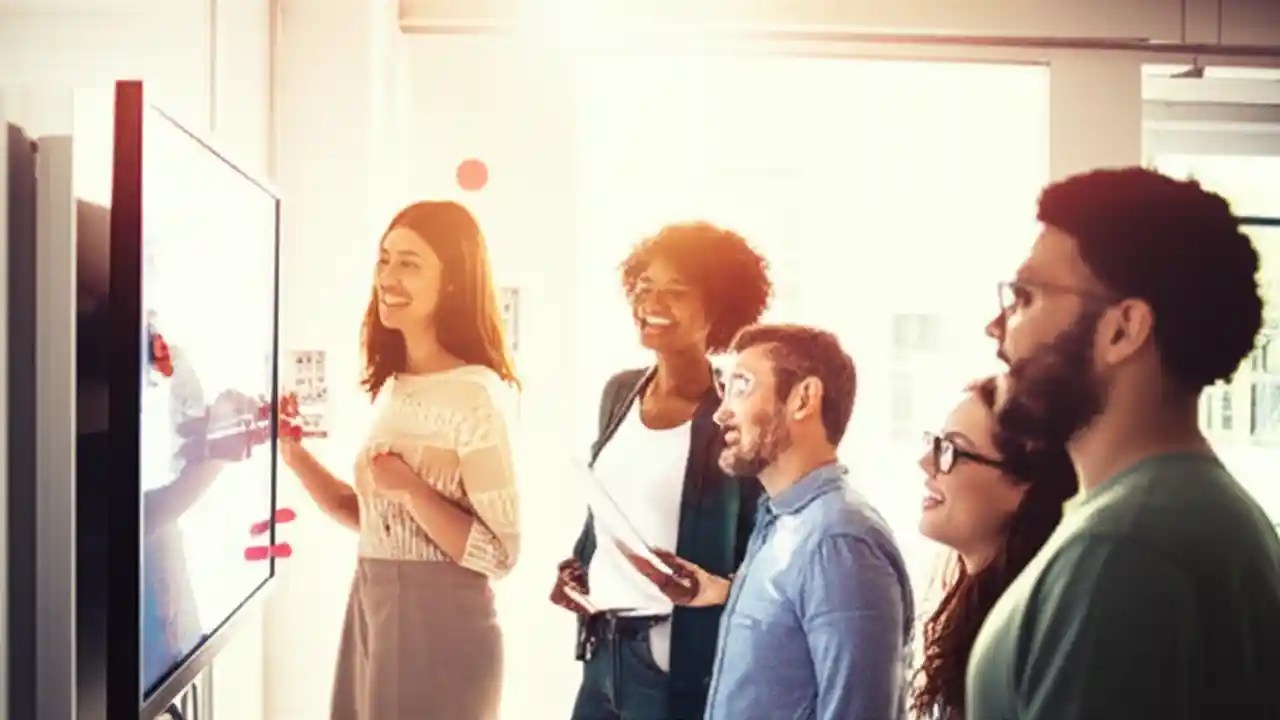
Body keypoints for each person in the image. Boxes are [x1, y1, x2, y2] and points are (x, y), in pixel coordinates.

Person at [968, 167, 1280, 719]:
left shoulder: (1124, 549)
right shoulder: (1182, 514)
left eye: (1024, 296)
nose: (997, 326)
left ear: (1123, 329)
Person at [280, 201, 520, 720]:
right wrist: (294, 455)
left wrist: (413, 489)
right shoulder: (397, 386)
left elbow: (499, 554)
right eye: (385, 258)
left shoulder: (475, 397)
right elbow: (368, 516)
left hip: (439, 624)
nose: (388, 276)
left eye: (409, 263)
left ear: (452, 281)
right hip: (373, 604)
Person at [627, 323, 915, 720]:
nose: (722, 412)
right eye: (723, 388)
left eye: (742, 386)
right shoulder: (782, 521)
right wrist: (722, 592)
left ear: (803, 399)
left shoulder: (839, 540)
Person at [549, 222, 772, 720]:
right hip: (602, 649)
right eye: (645, 287)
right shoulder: (619, 393)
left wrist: (719, 586)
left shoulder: (729, 417)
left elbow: (764, 549)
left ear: (716, 309)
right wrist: (582, 564)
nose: (652, 302)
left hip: (671, 658)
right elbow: (611, 504)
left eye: (676, 293)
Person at [911, 376, 1076, 719]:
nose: (926, 462)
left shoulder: (1036, 625)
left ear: (1022, 486)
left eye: (951, 450)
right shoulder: (974, 602)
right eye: (935, 443)